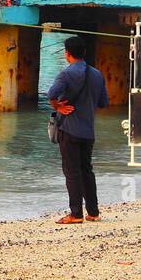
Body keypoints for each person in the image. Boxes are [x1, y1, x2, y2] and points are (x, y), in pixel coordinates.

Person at [47, 35, 109, 224]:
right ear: (84, 52)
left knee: (72, 171)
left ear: (67, 53)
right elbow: (103, 103)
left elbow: (51, 94)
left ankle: (75, 214)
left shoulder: (66, 74)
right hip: (88, 131)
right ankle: (93, 212)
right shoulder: (97, 74)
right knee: (86, 171)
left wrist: (58, 107)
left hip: (69, 129)